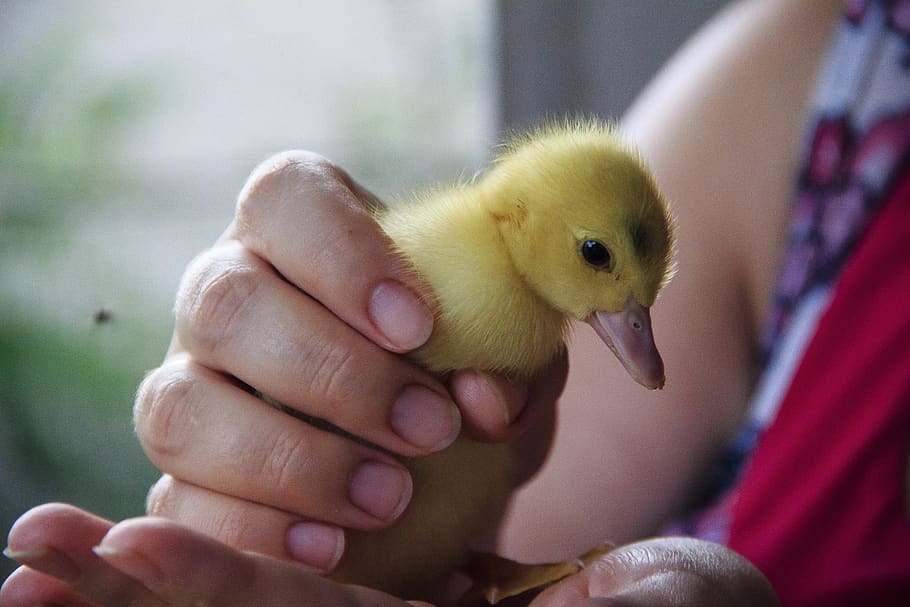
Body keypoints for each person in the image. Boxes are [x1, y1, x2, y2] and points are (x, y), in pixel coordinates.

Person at [4, 0, 909, 604]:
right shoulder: (839, 70)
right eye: (601, 266)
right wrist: (249, 431)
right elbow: (512, 501)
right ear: (520, 220)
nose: (636, 336)